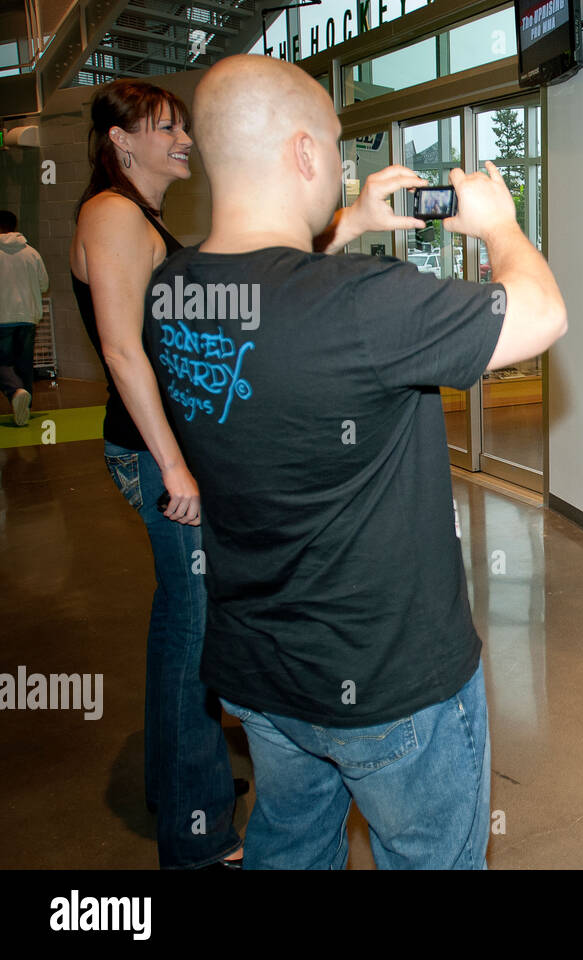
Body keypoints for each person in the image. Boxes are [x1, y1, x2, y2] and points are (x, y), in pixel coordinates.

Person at [143, 54, 566, 868]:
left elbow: (275, 295)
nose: (341, 165)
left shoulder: (176, 293)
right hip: (388, 678)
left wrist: (353, 219)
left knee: (292, 848)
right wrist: (498, 224)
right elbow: (541, 313)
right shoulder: (364, 302)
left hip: (262, 673)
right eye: (335, 147)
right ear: (304, 154)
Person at [69, 80, 242, 868]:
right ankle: (196, 836)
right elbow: (120, 348)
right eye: (163, 127)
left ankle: (177, 782)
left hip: (163, 450)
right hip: (152, 455)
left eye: (183, 126)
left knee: (182, 622)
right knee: (193, 631)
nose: (182, 139)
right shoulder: (110, 215)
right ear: (119, 141)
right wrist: (175, 468)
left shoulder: (139, 217)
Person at [0, 210, 49, 427]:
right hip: (28, 317)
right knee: (24, 364)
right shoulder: (32, 253)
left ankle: (15, 391)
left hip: (2, 317)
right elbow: (44, 285)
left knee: (1, 363)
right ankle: (24, 411)